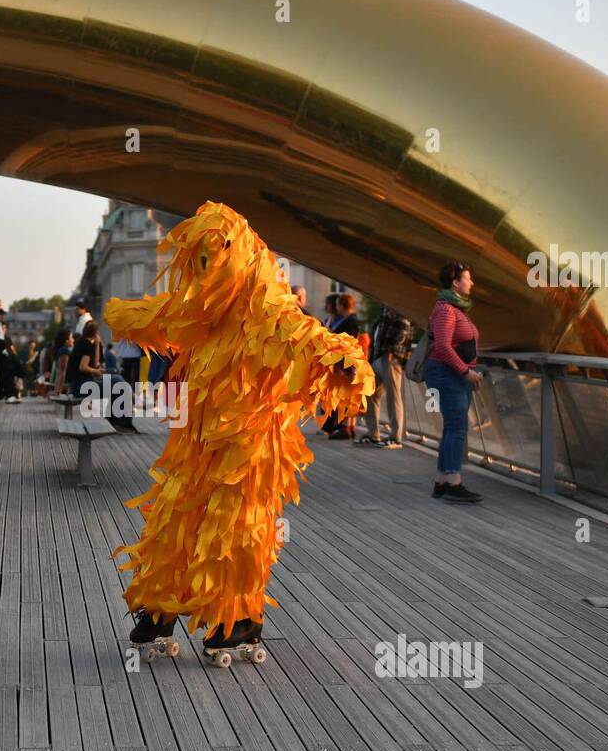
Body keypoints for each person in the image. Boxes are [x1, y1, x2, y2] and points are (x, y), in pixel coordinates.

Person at [105, 201, 373, 659]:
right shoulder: (204, 313)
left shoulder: (269, 314)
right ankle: (166, 609)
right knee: (180, 518)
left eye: (213, 262)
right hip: (198, 443)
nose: (206, 275)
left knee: (229, 528)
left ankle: (227, 618)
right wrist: (126, 315)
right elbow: (165, 315)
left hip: (249, 447)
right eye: (199, 264)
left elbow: (310, 340)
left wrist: (346, 363)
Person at [425, 262, 482, 503]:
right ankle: (454, 482)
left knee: (452, 427)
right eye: (467, 278)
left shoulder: (457, 309)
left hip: (455, 375)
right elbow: (443, 346)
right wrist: (464, 372)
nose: (471, 283)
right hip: (447, 374)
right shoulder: (446, 310)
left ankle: (441, 481)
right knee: (457, 428)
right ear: (455, 283)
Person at [67, 319, 135, 431]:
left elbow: (95, 364)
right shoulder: (87, 344)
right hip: (83, 386)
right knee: (120, 384)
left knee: (118, 380)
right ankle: (122, 423)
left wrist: (97, 344)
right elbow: (83, 367)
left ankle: (115, 420)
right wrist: (95, 372)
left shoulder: (82, 342)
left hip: (79, 385)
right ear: (95, 333)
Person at [364, 306, 411, 448]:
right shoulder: (385, 309)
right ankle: (373, 434)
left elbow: (404, 328)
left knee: (393, 396)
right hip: (378, 357)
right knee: (370, 394)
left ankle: (396, 437)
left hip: (390, 358)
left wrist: (391, 351)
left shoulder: (399, 308)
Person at [320, 294, 361, 440]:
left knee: (345, 395)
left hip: (346, 362)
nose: (336, 307)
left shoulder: (350, 322)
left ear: (342, 305)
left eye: (338, 304)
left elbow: (349, 342)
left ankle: (346, 427)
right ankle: (346, 427)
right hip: (342, 362)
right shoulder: (349, 321)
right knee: (344, 395)